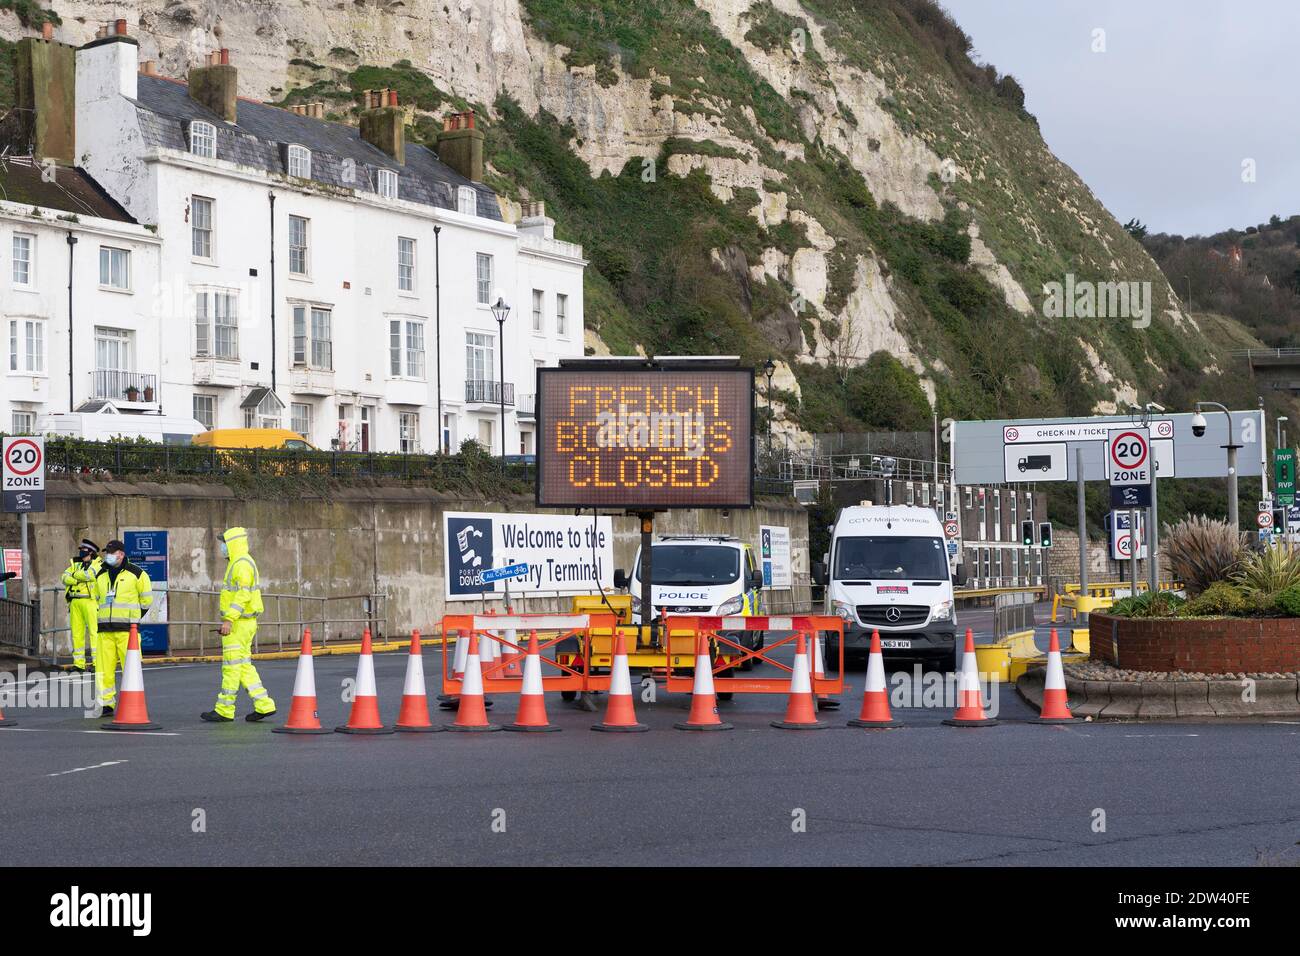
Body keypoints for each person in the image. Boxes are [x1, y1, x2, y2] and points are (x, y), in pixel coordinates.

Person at [201, 527, 276, 722]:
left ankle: (224, 710)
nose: (222, 547)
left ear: (232, 543)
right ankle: (264, 704)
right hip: (245, 623)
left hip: (238, 624)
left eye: (224, 543)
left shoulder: (241, 563)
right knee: (244, 666)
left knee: (231, 667)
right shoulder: (241, 562)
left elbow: (243, 594)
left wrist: (229, 619)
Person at [93, 540, 153, 715]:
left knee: (131, 668)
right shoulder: (101, 574)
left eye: (112, 552)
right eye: (107, 552)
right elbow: (97, 599)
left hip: (128, 631)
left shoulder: (137, 573)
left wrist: (133, 619)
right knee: (103, 669)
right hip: (105, 630)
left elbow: (147, 600)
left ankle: (132, 702)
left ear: (121, 554)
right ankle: (106, 703)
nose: (108, 555)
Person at [61, 539, 101, 671]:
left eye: (84, 550)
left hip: (90, 601)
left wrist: (74, 577)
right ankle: (79, 664)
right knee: (77, 634)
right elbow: (64, 577)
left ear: (91, 552)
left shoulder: (98, 563)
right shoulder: (76, 563)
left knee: (94, 633)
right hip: (75, 601)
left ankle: (97, 663)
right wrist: (78, 578)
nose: (81, 552)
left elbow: (90, 575)